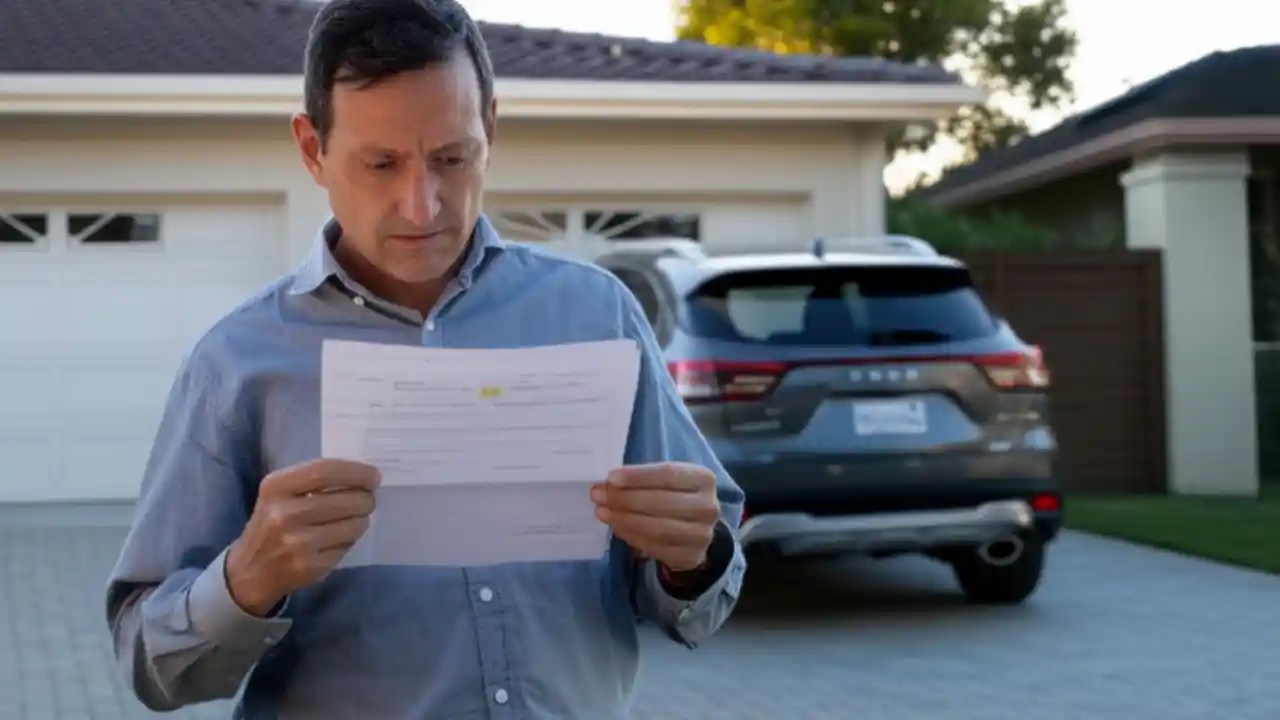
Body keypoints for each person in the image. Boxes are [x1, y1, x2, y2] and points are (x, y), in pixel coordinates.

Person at [103, 0, 746, 717]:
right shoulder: (235, 364)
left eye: (451, 158)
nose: (422, 205)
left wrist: (694, 561)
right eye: (381, 164)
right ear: (312, 149)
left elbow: (703, 590)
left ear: (491, 129)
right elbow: (148, 664)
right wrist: (245, 579)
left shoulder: (598, 316)